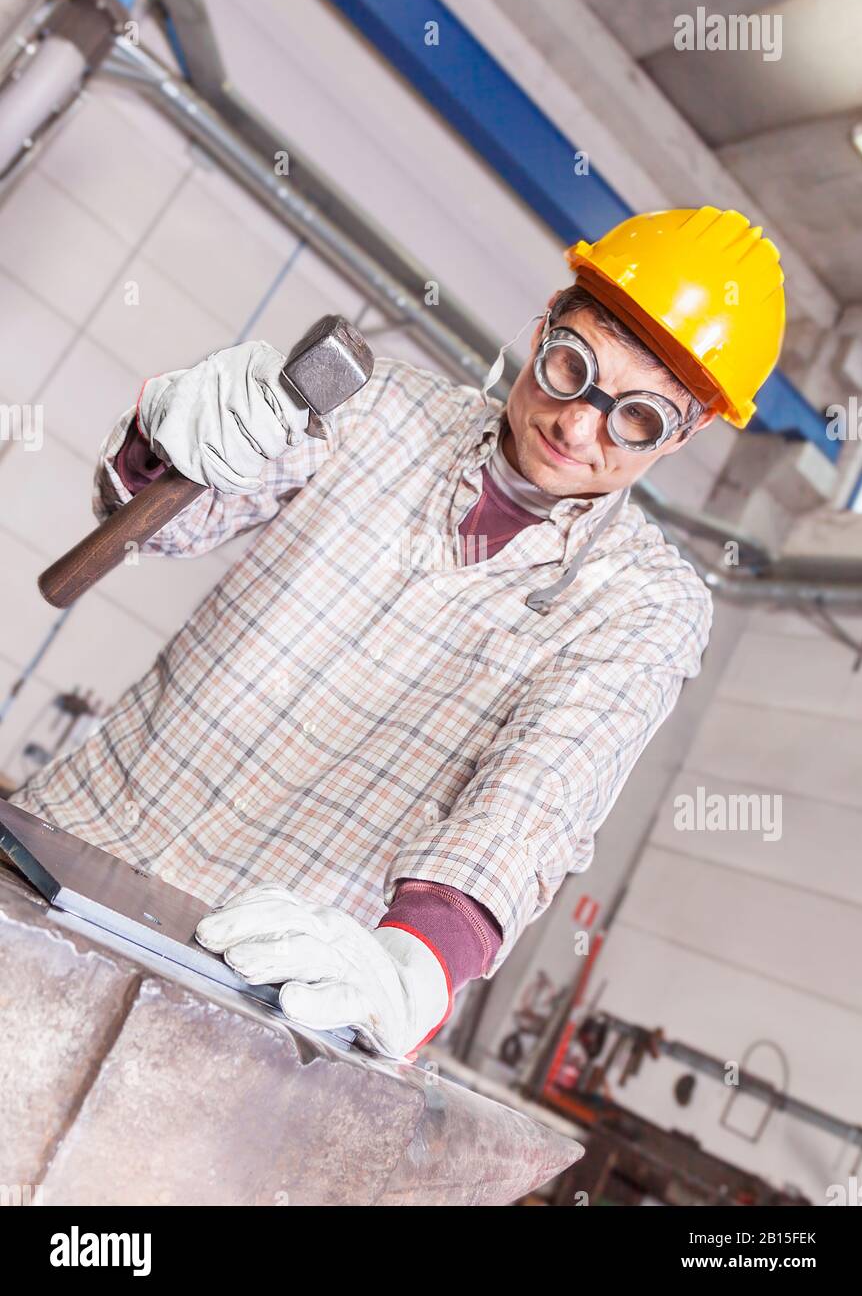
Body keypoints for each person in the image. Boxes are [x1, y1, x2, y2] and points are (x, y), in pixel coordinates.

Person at [12, 206, 786, 1059]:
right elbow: (164, 528)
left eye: (636, 418)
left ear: (691, 431)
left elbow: (531, 809)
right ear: (544, 325)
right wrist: (175, 441)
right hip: (55, 853)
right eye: (571, 367)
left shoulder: (646, 607)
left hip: (244, 982)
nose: (577, 425)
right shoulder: (374, 404)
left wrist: (415, 967)